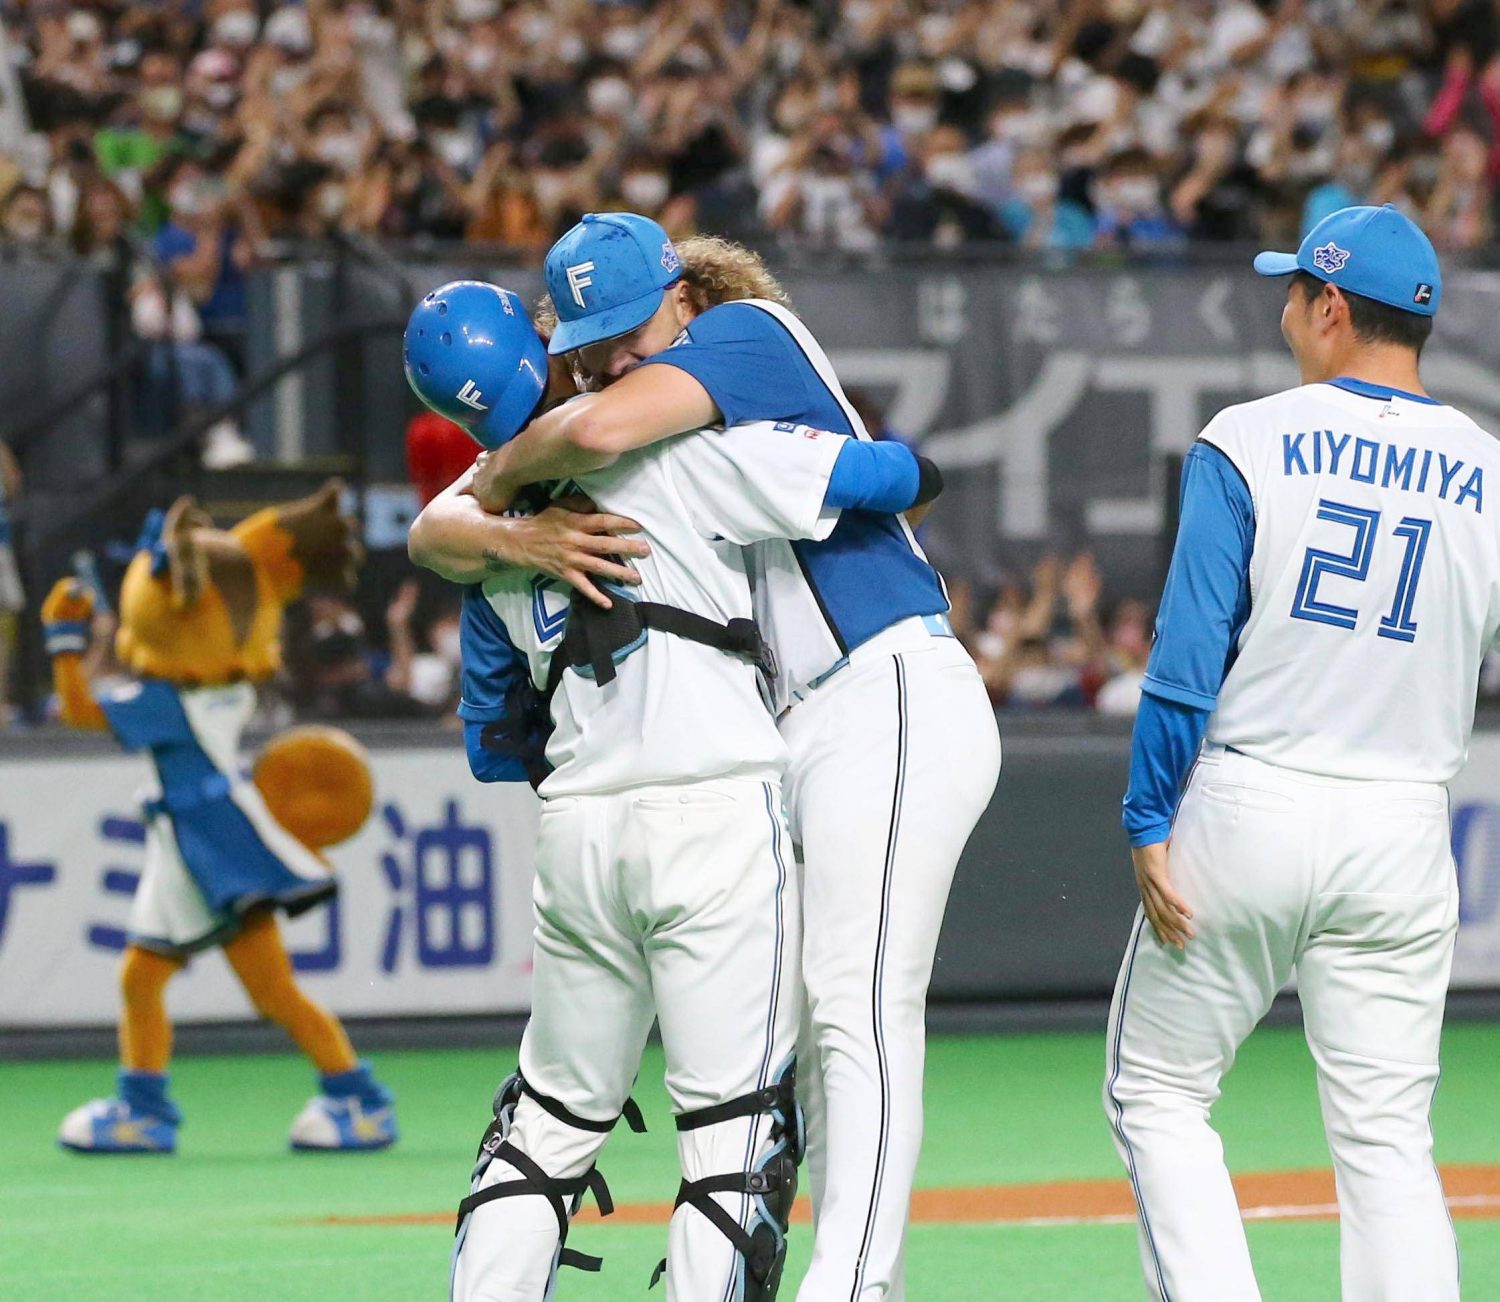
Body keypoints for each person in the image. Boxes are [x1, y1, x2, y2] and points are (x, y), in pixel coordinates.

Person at [410, 217, 1001, 1301]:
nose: (617, 355)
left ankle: (854, 1285)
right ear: (550, 354)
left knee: (560, 1118)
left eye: (628, 328)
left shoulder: (736, 340)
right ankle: (860, 1281)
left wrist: (500, 508)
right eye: (595, 342)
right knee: (744, 1117)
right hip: (737, 786)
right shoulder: (694, 454)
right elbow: (903, 472)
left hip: (832, 713)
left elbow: (495, 733)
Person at [1106, 205, 1473, 1300]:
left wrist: (1146, 817)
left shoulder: (1249, 437)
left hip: (1250, 805)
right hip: (1407, 827)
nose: (1282, 310)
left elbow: (1183, 660)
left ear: (1328, 306)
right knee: (1388, 1140)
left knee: (1160, 1094)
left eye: (1290, 291)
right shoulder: (1490, 473)